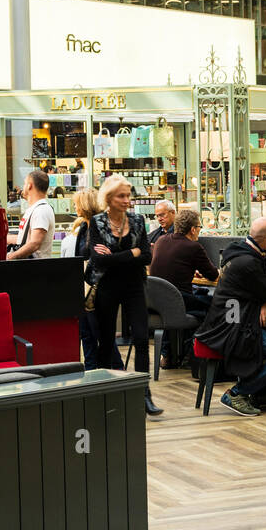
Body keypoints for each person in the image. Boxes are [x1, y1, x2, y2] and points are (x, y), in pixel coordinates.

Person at [195, 218, 266, 418]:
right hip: (232, 328)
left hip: (233, 319)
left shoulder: (239, 251)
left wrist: (263, 303)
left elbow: (258, 289)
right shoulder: (248, 262)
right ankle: (237, 393)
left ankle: (261, 393)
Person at [86, 175, 162, 417]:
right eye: (121, 196)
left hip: (134, 286)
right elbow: (99, 259)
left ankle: (144, 394)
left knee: (141, 339)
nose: (127, 200)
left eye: (129, 195)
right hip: (106, 286)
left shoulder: (138, 220)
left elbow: (147, 257)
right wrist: (133, 252)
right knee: (106, 342)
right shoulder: (97, 222)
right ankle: (106, 392)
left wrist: (117, 256)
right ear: (108, 198)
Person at [61, 188, 121, 371]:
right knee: (86, 332)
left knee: (100, 332)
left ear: (85, 205)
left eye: (77, 203)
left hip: (100, 287)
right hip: (86, 286)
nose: (75, 207)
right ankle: (90, 369)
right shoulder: (84, 228)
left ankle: (116, 369)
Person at [149, 207, 219, 321]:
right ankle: (205, 338)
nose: (199, 230)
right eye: (199, 227)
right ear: (192, 229)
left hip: (155, 302)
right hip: (179, 302)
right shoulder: (193, 247)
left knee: (201, 293)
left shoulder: (160, 240)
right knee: (218, 302)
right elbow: (213, 275)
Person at [7, 170, 55, 261]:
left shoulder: (41, 210)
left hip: (35, 270)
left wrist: (11, 256)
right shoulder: (35, 209)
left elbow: (34, 243)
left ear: (29, 185)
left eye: (24, 183)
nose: (23, 187)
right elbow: (26, 239)